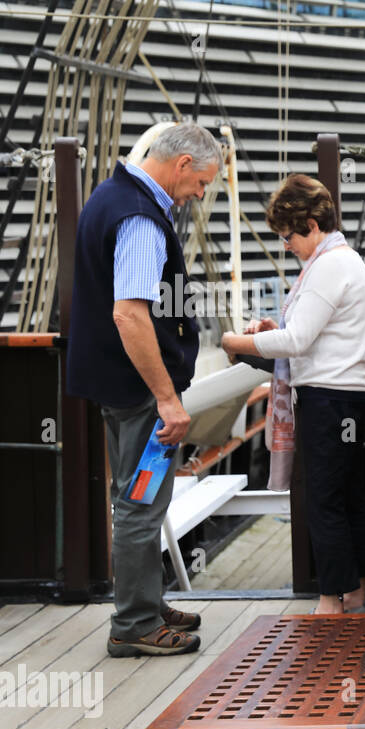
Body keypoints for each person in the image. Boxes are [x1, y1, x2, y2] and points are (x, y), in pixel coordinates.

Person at [66, 123, 220, 657]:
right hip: (139, 394)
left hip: (117, 384)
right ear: (180, 165)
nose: (201, 194)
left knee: (135, 499)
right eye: (201, 182)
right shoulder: (139, 219)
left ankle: (146, 602)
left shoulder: (110, 196)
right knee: (139, 502)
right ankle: (134, 623)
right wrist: (167, 398)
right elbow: (130, 315)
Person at [221, 174, 365, 614]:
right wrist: (275, 331)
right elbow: (306, 333)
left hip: (328, 399)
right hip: (348, 397)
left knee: (323, 499)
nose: (286, 245)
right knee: (348, 495)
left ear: (310, 223)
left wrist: (239, 343)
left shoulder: (328, 266)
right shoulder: (345, 261)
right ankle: (357, 591)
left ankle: (331, 601)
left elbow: (297, 342)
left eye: (288, 236)